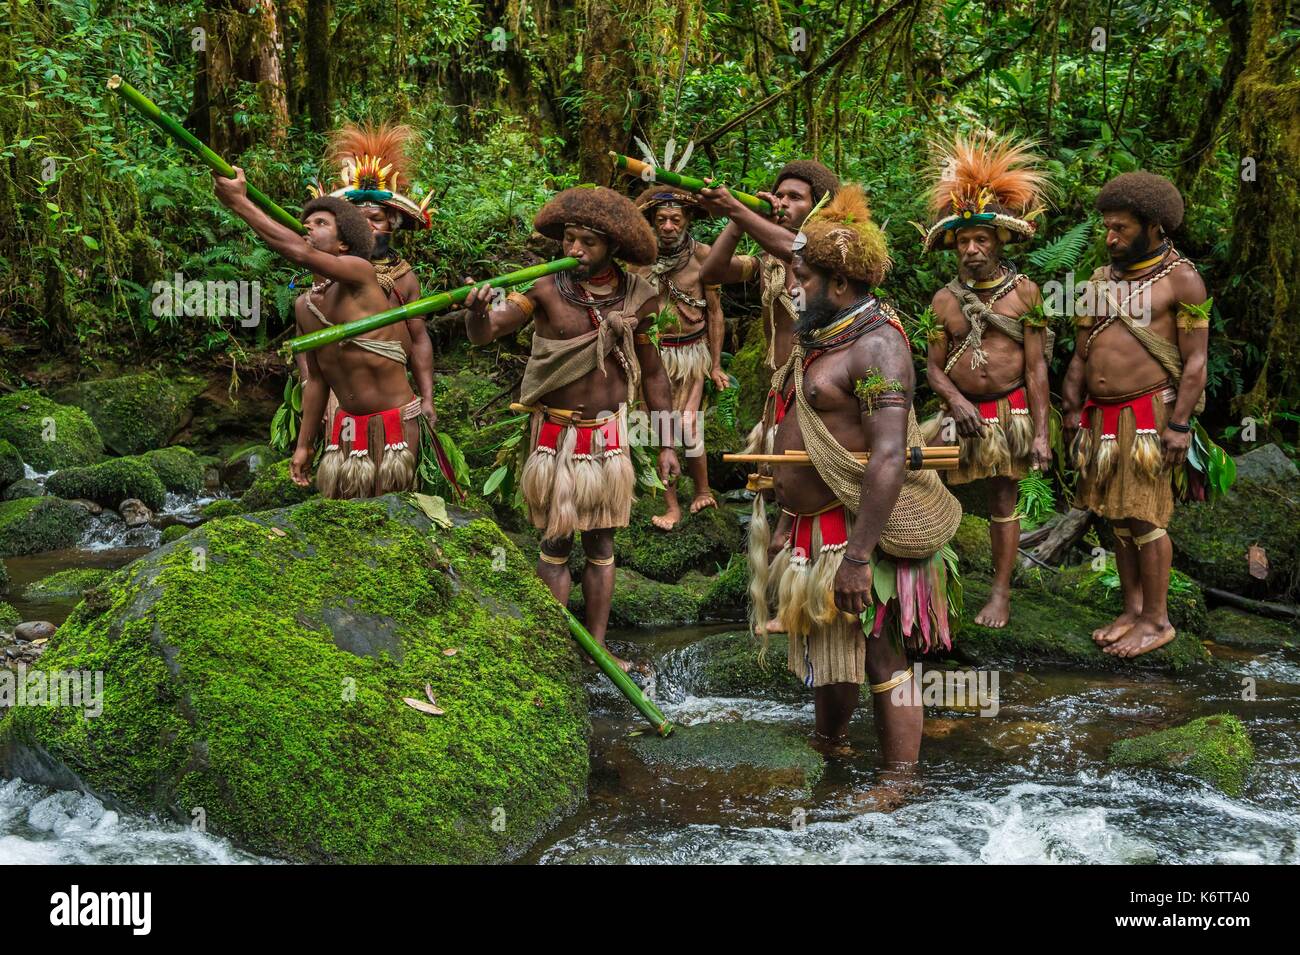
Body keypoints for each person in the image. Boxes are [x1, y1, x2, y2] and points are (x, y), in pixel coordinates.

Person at [746, 184, 962, 763]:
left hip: (861, 529)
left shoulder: (878, 349)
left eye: (806, 279)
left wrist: (861, 557)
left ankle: (898, 782)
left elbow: (889, 456)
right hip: (816, 523)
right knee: (831, 640)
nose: (796, 287)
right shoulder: (822, 335)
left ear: (840, 285)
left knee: (882, 654)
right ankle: (830, 741)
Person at [464, 186, 681, 670]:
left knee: (602, 543)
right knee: (555, 542)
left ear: (612, 249)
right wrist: (477, 312)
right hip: (553, 438)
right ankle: (555, 651)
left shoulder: (639, 299)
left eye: (588, 242)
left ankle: (598, 644)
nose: (575, 251)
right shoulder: (542, 289)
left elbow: (653, 373)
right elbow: (489, 331)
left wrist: (668, 444)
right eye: (569, 240)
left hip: (608, 437)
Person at [1061, 171, 1210, 658]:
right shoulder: (1099, 281)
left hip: (1150, 414)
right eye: (1106, 227)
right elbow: (1081, 355)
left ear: (1153, 226)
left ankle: (1157, 620)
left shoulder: (1182, 279)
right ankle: (1131, 610)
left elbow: (1196, 361)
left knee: (1146, 518)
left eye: (1121, 228)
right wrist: (1070, 412)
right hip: (1100, 419)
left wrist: (1181, 424)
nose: (1110, 237)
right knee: (1117, 518)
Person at [213, 168, 420, 497]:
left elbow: (300, 252)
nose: (308, 227)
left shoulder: (359, 274)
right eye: (307, 222)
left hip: (394, 424)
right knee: (345, 527)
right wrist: (303, 445)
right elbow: (318, 381)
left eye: (321, 223)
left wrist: (240, 202)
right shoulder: (304, 306)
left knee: (393, 522)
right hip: (347, 429)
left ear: (343, 244)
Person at [920, 133, 1053, 627]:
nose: (972, 249)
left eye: (981, 240)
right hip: (959, 414)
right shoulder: (943, 301)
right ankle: (933, 586)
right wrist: (954, 400)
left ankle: (1000, 594)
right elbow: (933, 368)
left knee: (1002, 498)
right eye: (963, 241)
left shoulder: (1025, 293)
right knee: (920, 482)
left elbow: (1038, 367)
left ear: (999, 243)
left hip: (1008, 413)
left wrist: (1040, 433)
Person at [299, 122, 438, 432]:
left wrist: (427, 397)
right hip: (340, 395)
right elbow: (311, 342)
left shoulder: (404, 277)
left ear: (392, 222)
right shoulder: (328, 272)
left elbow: (418, 338)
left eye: (375, 219)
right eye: (359, 222)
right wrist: (309, 386)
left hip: (391, 396)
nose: (368, 228)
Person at [627, 187, 729, 529]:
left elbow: (715, 313)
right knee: (658, 427)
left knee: (685, 424)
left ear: (686, 221)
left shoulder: (703, 257)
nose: (668, 226)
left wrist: (715, 364)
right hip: (653, 355)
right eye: (661, 220)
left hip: (691, 355)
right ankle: (671, 505)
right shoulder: (639, 261)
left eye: (675, 219)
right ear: (653, 224)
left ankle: (703, 489)